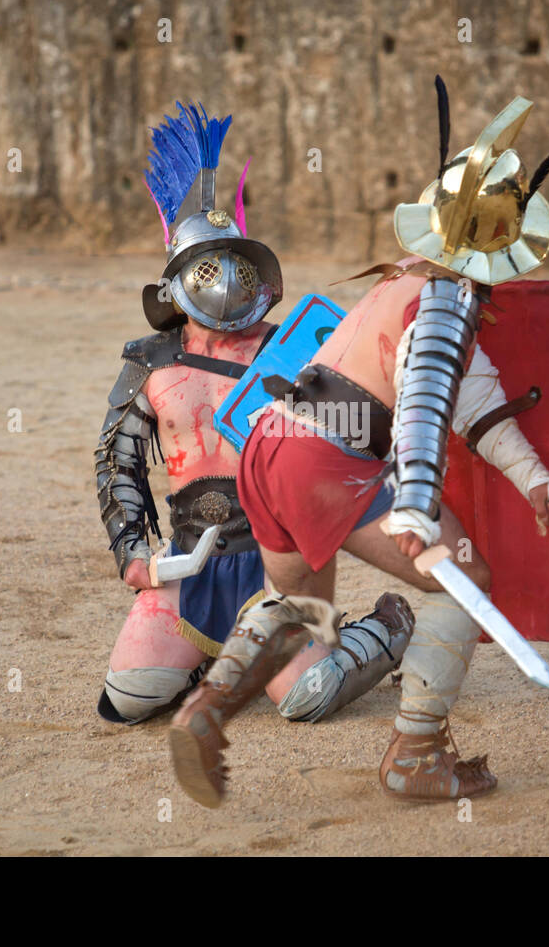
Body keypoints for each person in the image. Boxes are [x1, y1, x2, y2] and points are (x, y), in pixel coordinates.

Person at [170, 80, 549, 803]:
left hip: (270, 445)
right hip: (328, 459)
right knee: (465, 579)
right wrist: (417, 502)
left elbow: (474, 406)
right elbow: (424, 402)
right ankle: (417, 750)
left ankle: (209, 707)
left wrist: (536, 478)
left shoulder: (402, 282)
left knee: (303, 609)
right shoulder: (447, 304)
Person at [94, 102, 413, 727]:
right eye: (210, 266)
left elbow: (357, 436)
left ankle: (385, 625)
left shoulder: (297, 348)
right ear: (178, 279)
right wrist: (135, 552)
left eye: (234, 260)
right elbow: (117, 462)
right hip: (189, 565)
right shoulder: (149, 362)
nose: (226, 278)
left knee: (305, 697)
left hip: (279, 559)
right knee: (128, 701)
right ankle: (197, 655)